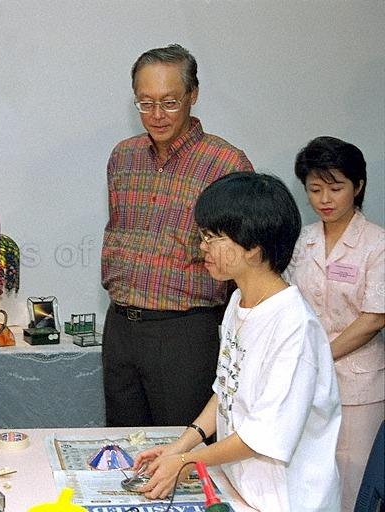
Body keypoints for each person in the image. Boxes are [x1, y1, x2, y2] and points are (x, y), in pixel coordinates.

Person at [133, 172, 341, 511]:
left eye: (213, 237)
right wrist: (181, 446)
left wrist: (187, 461)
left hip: (286, 499)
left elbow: (264, 437)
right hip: (242, 485)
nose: (202, 246)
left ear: (253, 248)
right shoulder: (239, 302)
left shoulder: (295, 326)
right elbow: (226, 388)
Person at [100, 43, 254, 427]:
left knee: (180, 452)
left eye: (169, 102)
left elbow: (243, 259)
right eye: (145, 103)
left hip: (184, 332)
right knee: (124, 450)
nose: (157, 115)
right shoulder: (123, 156)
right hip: (120, 326)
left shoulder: (226, 163)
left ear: (193, 95)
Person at [286, 136, 384, 512]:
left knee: (352, 480)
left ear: (357, 187)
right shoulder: (302, 240)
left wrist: (321, 355)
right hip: (307, 379)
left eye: (335, 188)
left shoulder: (377, 243)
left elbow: (374, 317)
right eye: (314, 189)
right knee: (311, 476)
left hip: (358, 384)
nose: (324, 199)